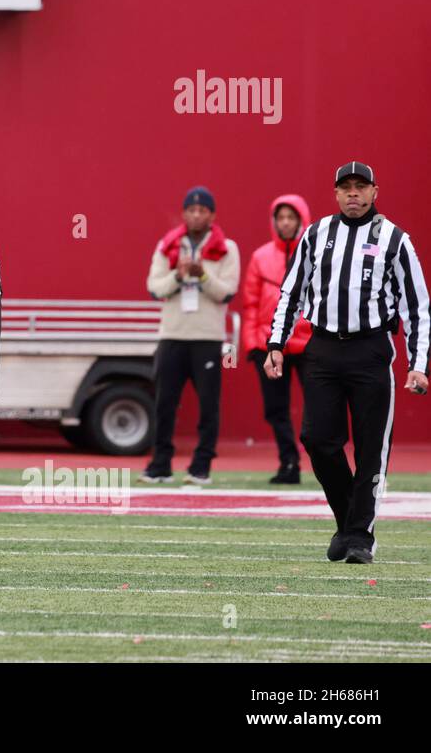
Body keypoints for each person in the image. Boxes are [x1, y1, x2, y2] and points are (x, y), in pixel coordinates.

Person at [266, 161, 429, 564]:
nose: (353, 194)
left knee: (372, 447)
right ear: (336, 193)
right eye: (346, 188)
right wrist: (276, 344)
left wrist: (419, 363)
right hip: (323, 348)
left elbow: (417, 308)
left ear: (375, 192)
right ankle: (348, 519)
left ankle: (360, 537)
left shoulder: (395, 239)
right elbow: (292, 292)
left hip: (371, 351)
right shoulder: (316, 234)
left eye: (361, 187)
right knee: (318, 439)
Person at [142, 186, 240, 485]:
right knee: (165, 403)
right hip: (172, 334)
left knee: (208, 405)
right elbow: (154, 287)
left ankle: (201, 466)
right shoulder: (169, 244)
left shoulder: (227, 247)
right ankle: (160, 465)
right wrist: (178, 276)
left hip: (207, 337)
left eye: (203, 210)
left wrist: (203, 276)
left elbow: (227, 292)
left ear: (212, 215)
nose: (197, 215)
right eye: (191, 210)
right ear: (184, 213)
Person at [241, 194, 312, 484]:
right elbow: (250, 304)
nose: (285, 223)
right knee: (276, 408)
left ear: (301, 220)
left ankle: (321, 460)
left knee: (319, 406)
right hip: (269, 345)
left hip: (309, 344)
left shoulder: (315, 254)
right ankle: (289, 462)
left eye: (290, 217)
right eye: (280, 217)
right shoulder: (260, 257)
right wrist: (251, 344)